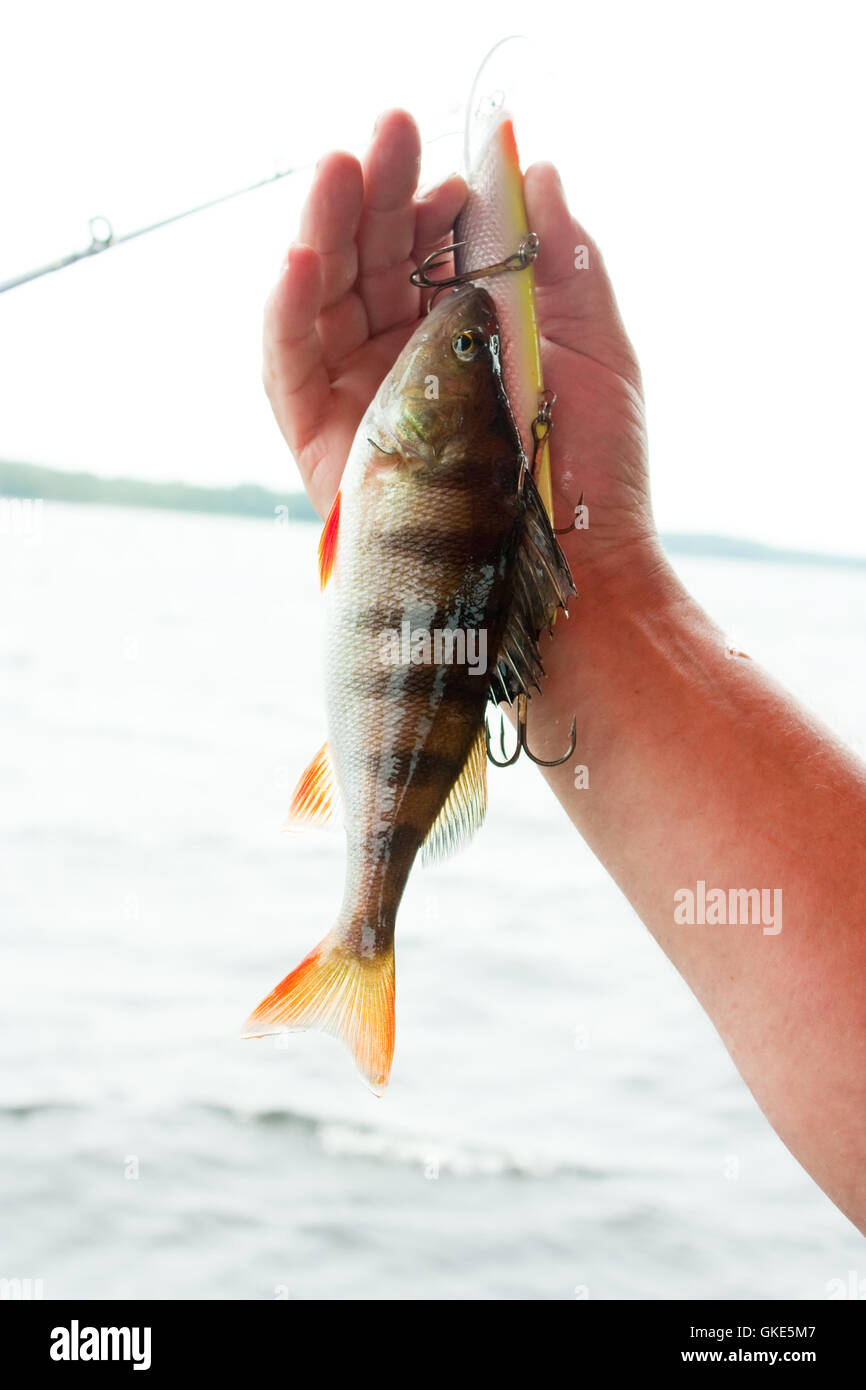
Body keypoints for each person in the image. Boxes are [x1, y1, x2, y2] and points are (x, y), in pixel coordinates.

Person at [261, 110, 866, 1234]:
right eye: (462, 356)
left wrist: (597, 582)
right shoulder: (429, 449)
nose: (452, 344)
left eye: (459, 356)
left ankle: (361, 938)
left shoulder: (407, 448)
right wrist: (603, 598)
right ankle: (363, 931)